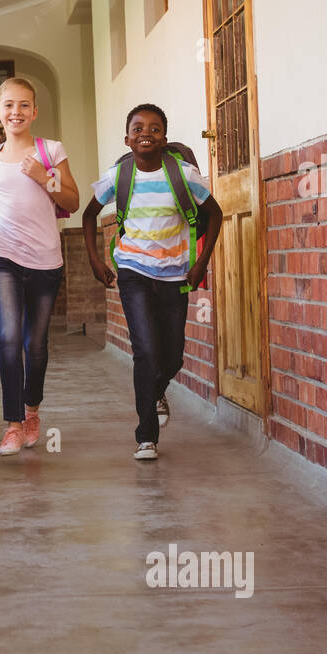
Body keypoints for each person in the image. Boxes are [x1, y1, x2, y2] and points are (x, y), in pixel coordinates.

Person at [81, 102, 223, 461]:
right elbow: (88, 215)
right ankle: (146, 435)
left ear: (164, 137)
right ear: (127, 139)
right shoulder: (119, 176)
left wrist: (201, 262)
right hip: (133, 271)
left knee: (173, 355)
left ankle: (157, 391)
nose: (146, 134)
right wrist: (96, 259)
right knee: (145, 350)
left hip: (176, 272)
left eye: (155, 128)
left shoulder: (184, 174)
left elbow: (215, 214)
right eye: (138, 128)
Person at [0, 77, 80, 456]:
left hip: (45, 260)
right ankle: (12, 425)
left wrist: (46, 177)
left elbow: (72, 200)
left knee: (35, 345)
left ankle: (31, 411)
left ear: (35, 112)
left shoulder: (50, 149)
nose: (16, 112)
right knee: (8, 338)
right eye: (9, 105)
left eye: (24, 105)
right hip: (4, 257)